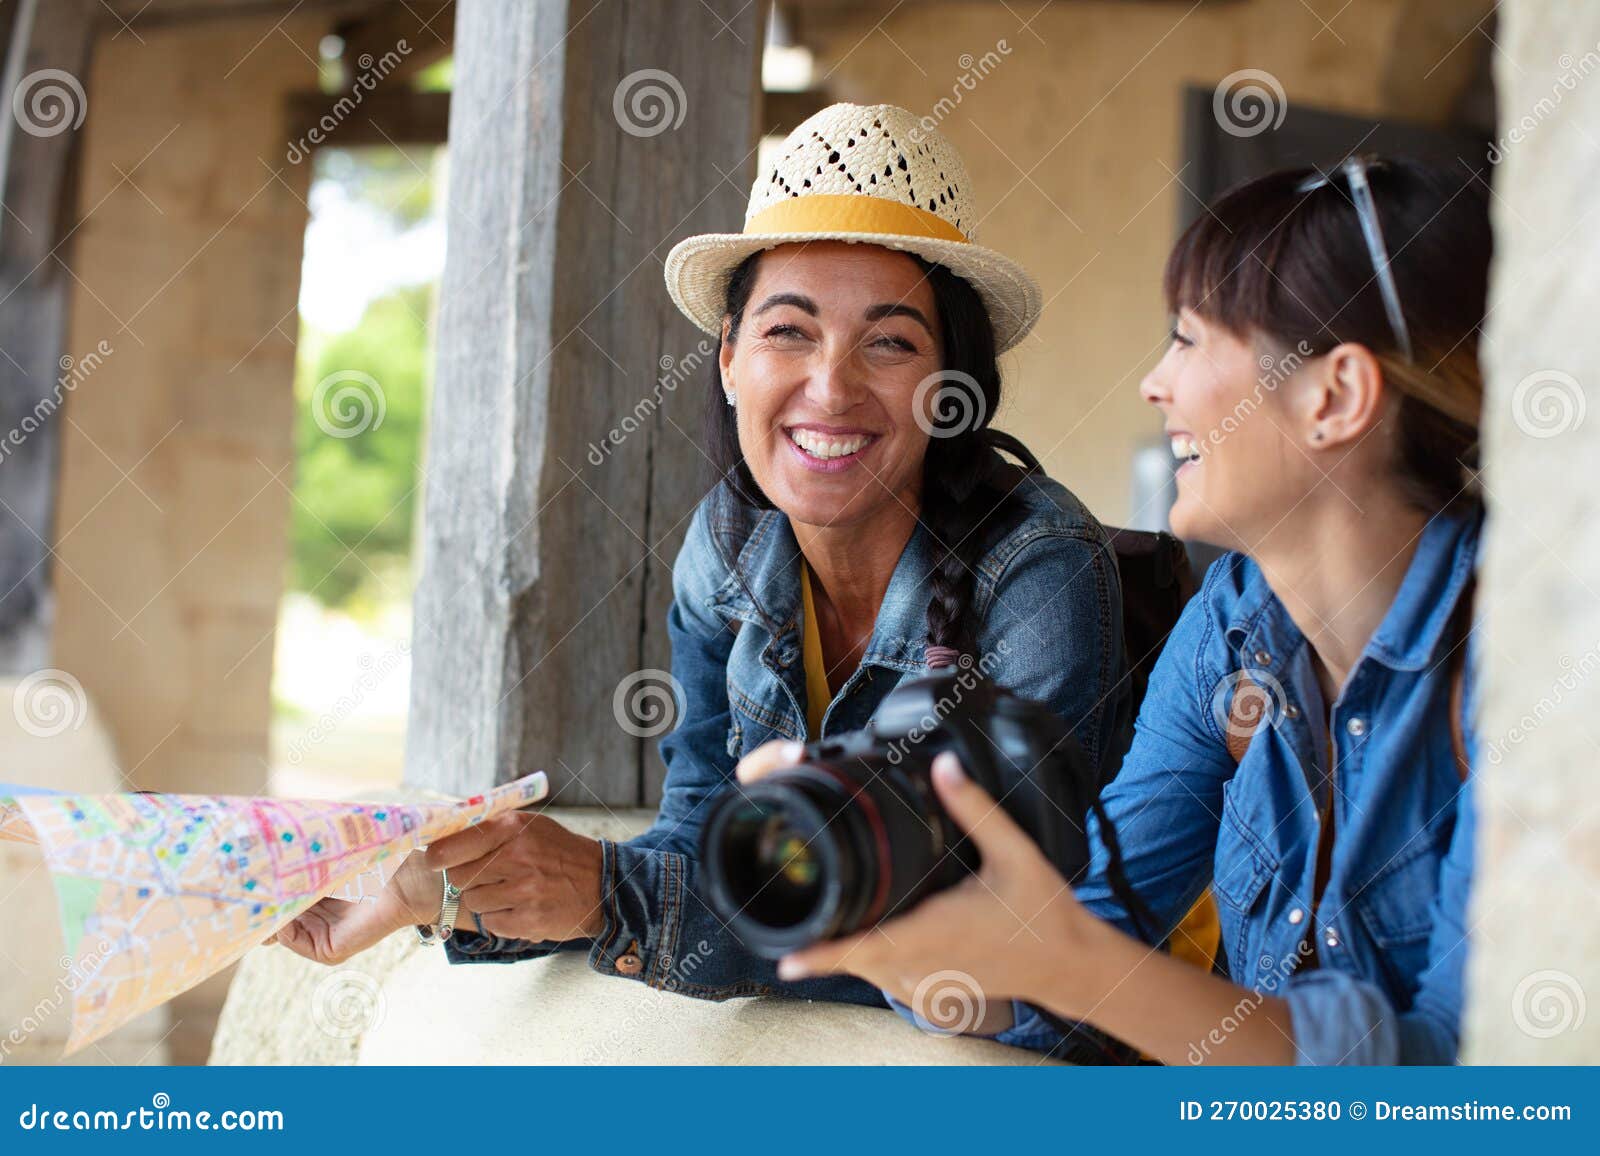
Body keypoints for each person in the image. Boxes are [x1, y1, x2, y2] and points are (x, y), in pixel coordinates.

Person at [276, 102, 1180, 1052]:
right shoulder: (729, 545)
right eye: (788, 331)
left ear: (953, 385)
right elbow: (698, 837)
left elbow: (994, 946)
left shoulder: (1039, 572)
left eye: (891, 341)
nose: (831, 387)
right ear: (729, 360)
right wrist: (452, 888)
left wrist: (606, 893)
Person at [740, 156, 1491, 1064]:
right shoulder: (1232, 627)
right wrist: (907, 923)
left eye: (1191, 338)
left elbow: (1468, 1076)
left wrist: (1064, 961)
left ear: (1333, 396)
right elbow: (1095, 924)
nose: (1155, 383)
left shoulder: (1521, 668)